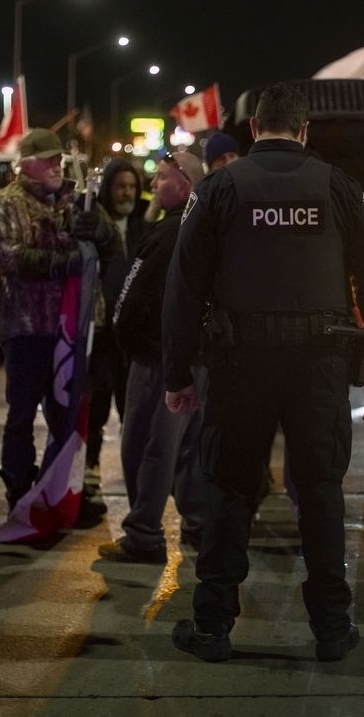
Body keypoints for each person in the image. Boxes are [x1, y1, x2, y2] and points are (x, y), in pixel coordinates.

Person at [163, 84, 364, 662]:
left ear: (253, 128)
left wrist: (176, 374)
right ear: (304, 130)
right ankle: (333, 629)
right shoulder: (338, 187)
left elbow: (183, 288)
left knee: (229, 490)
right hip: (319, 365)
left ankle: (213, 627)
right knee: (320, 492)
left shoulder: (219, 188)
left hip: (239, 364)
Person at [0, 129, 119, 512]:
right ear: (26, 165)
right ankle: (20, 490)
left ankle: (66, 491)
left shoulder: (80, 201)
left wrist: (101, 232)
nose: (58, 165)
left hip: (74, 329)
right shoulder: (3, 205)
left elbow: (112, 247)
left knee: (70, 416)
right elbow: (2, 255)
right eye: (48, 160)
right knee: (22, 414)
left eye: (59, 159)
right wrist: (59, 263)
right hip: (28, 328)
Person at [98, 151, 207, 563]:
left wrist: (125, 338)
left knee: (146, 445)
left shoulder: (169, 233)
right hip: (196, 358)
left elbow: (134, 295)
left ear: (184, 182)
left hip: (158, 358)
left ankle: (144, 534)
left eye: (161, 177)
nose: (153, 186)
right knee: (189, 448)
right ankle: (198, 524)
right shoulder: (205, 226)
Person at [82, 158, 151, 520]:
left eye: (131, 186)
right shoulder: (94, 223)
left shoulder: (144, 224)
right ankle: (88, 476)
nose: (126, 193)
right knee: (95, 407)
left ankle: (137, 483)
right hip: (101, 333)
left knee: (133, 412)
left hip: (132, 337)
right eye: (120, 186)